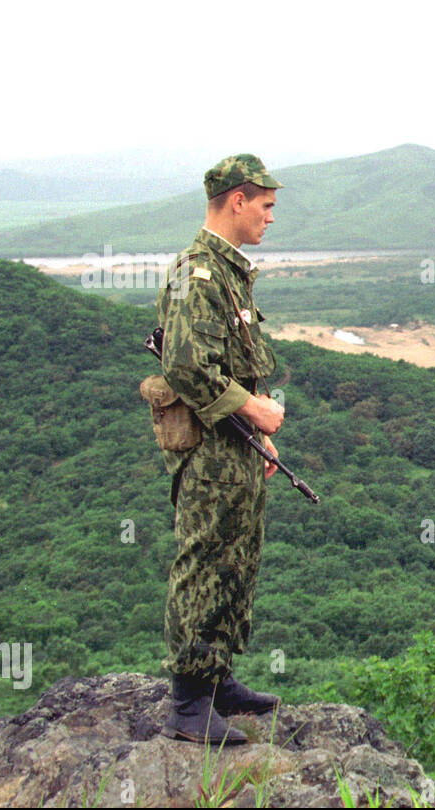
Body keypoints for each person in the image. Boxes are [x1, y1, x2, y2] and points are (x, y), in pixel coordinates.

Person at [154, 153, 287, 745]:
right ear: (238, 200)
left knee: (237, 558)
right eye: (265, 205)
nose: (270, 218)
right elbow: (185, 364)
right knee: (204, 560)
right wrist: (254, 410)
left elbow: (236, 364)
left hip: (234, 444)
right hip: (207, 450)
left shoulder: (230, 272)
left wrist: (255, 431)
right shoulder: (195, 270)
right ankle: (187, 702)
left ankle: (217, 679)